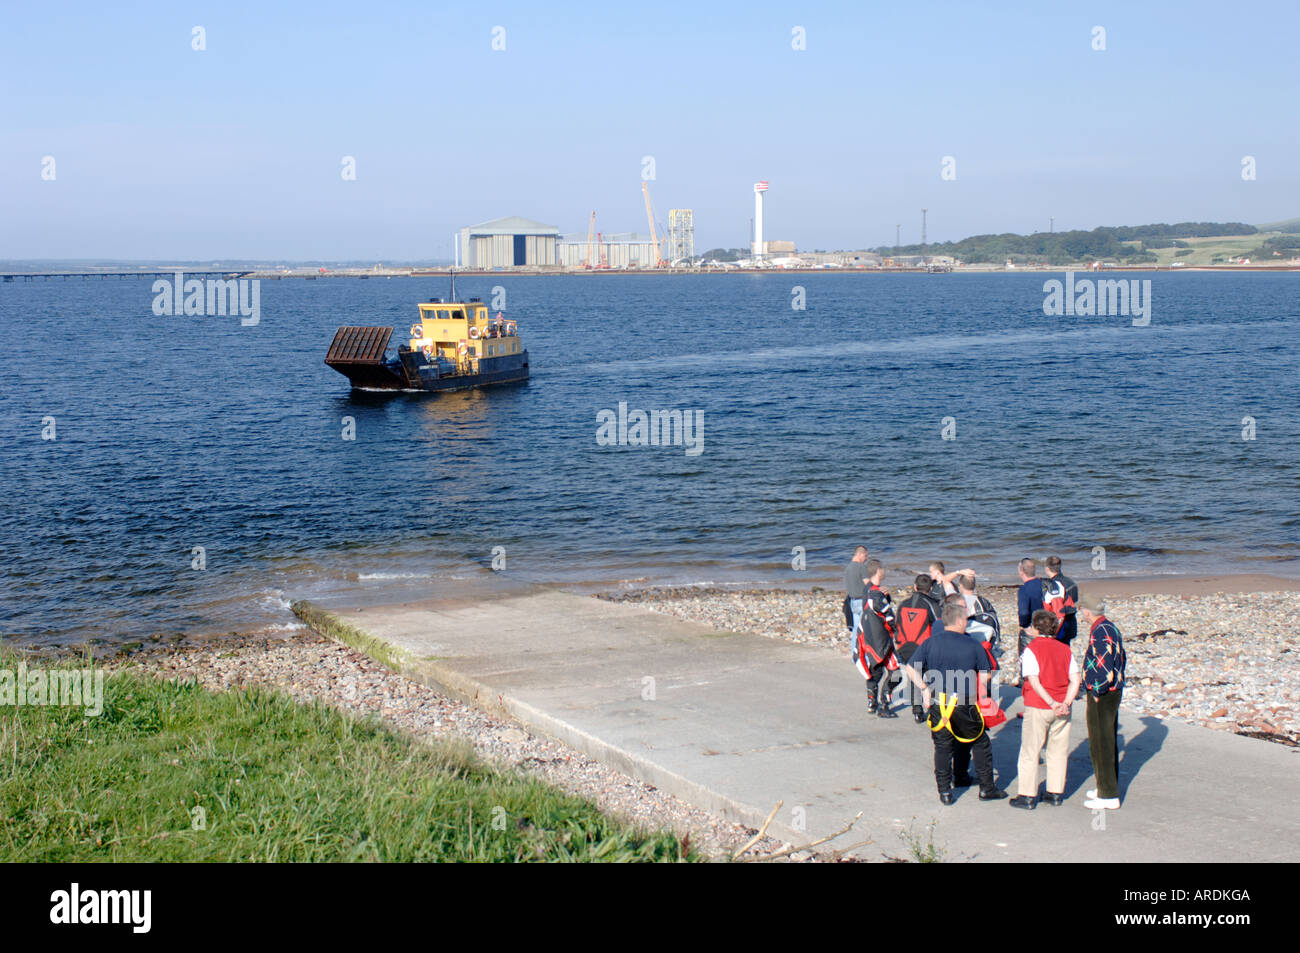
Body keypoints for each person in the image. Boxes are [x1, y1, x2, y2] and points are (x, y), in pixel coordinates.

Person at [902, 600, 1009, 805]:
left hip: (937, 701)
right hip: (964, 702)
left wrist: (924, 689)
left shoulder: (931, 642)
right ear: (959, 620)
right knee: (979, 742)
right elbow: (986, 676)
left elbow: (910, 668)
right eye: (966, 619)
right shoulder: (972, 645)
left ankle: (946, 790)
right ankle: (986, 788)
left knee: (943, 747)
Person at [1010, 610, 1080, 809]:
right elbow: (1075, 679)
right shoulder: (1065, 649)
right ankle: (1055, 792)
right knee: (1058, 750)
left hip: (1040, 704)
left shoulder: (1032, 649)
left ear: (1036, 628)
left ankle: (1028, 794)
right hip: (1062, 705)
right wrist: (1066, 701)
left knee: (1031, 750)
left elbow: (1033, 679)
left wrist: (1051, 702)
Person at [1079, 593, 1126, 811]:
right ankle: (1105, 786)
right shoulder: (1110, 626)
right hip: (1113, 689)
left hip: (1104, 692)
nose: (1081, 614)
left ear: (1087, 611)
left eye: (1082, 610)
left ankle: (1108, 794)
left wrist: (1097, 690)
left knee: (1101, 742)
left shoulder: (1100, 632)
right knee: (1105, 739)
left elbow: (1103, 664)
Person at [894, 575, 941, 723]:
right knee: (933, 677)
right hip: (923, 648)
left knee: (914, 676)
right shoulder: (932, 605)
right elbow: (939, 626)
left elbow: (897, 625)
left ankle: (917, 710)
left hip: (904, 647)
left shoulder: (903, 604)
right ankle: (934, 709)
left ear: (915, 586)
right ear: (931, 589)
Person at [856, 559, 898, 718]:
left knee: (876, 671)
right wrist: (899, 636)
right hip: (882, 639)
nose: (885, 572)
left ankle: (872, 702)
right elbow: (889, 617)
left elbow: (874, 608)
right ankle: (884, 704)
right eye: (883, 569)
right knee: (895, 673)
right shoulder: (875, 594)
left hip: (870, 639)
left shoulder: (868, 590)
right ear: (878, 571)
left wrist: (885, 595)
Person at [1013, 558, 1045, 686]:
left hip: (1033, 627)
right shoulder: (1043, 584)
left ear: (1021, 571)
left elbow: (1024, 612)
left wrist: (1024, 625)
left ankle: (1025, 682)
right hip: (1047, 625)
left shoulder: (1024, 589)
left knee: (1026, 656)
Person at [1043, 556, 1079, 644]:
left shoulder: (1051, 586)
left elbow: (1053, 609)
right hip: (1071, 621)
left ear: (1047, 568)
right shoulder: (1071, 583)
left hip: (1059, 624)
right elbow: (1075, 601)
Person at [843, 546, 871, 654]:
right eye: (865, 555)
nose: (866, 558)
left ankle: (854, 651)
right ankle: (864, 653)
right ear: (859, 554)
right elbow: (868, 584)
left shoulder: (848, 568)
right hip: (862, 600)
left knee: (856, 628)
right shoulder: (861, 567)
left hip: (852, 601)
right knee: (865, 628)